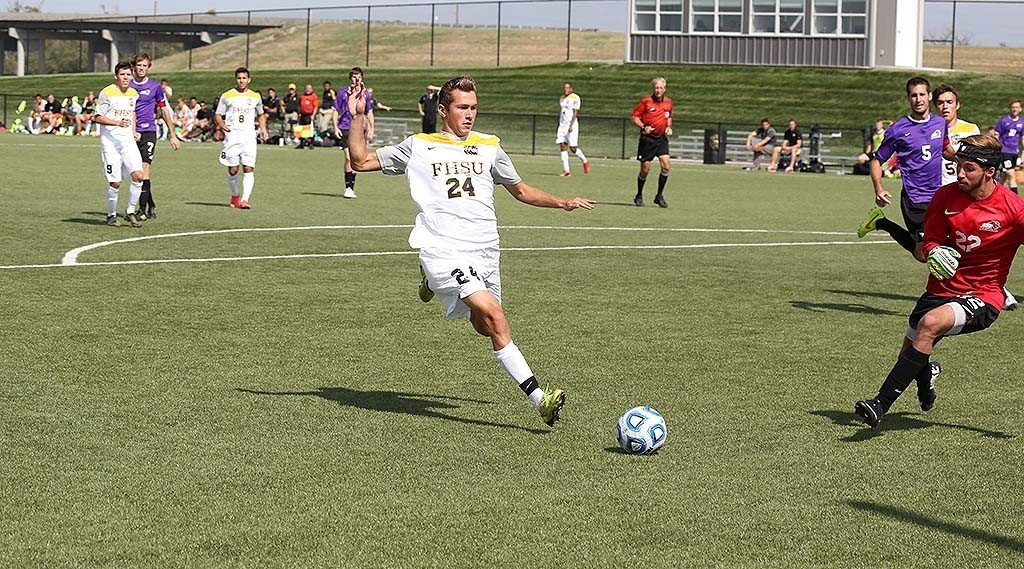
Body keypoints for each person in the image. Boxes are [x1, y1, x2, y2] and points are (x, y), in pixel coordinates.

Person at [346, 74, 595, 428]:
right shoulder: (418, 145)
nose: (470, 114)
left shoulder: (489, 146)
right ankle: (541, 399)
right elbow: (359, 160)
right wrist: (357, 116)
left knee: (484, 325)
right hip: (443, 249)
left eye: (474, 107)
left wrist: (563, 202)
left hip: (485, 250)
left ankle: (432, 285)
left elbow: (521, 191)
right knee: (494, 314)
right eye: (463, 107)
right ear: (443, 109)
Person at [854, 133, 1024, 430]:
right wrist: (934, 252)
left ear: (989, 172)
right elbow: (930, 241)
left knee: (929, 324)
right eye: (959, 165)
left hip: (983, 296)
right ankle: (926, 378)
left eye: (968, 168)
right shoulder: (945, 197)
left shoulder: (1014, 209)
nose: (960, 173)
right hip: (940, 289)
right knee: (910, 352)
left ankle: (878, 404)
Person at [856, 77, 954, 261]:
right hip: (915, 198)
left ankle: (880, 221)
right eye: (914, 95)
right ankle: (881, 222)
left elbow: (946, 149)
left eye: (922, 94)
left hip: (939, 196)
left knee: (942, 245)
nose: (918, 99)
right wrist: (879, 188)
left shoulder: (940, 124)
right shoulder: (898, 129)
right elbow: (877, 161)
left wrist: (964, 160)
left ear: (929, 96)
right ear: (908, 99)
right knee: (925, 255)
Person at [93, 62, 146, 227]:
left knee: (138, 176)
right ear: (116, 76)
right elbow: (98, 117)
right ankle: (111, 215)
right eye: (122, 74)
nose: (126, 78)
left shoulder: (133, 93)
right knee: (115, 182)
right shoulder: (107, 93)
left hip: (128, 142)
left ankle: (130, 212)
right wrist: (116, 123)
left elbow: (132, 113)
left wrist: (134, 130)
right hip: (110, 144)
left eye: (128, 74)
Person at [130, 53, 181, 221]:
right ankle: (150, 205)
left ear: (148, 67)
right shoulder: (127, 86)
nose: (141, 68)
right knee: (136, 173)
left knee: (145, 169)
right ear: (134, 67)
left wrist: (173, 135)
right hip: (130, 133)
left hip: (148, 132)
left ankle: (142, 210)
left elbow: (164, 110)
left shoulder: (155, 87)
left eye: (144, 65)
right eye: (138, 65)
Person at [213, 67, 269, 210]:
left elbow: (261, 114)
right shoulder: (227, 96)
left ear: (249, 80)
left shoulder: (255, 96)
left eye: (244, 78)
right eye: (239, 78)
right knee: (233, 169)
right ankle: (235, 195)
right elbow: (218, 114)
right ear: (236, 79)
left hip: (249, 137)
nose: (241, 81)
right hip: (232, 137)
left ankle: (245, 200)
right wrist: (221, 124)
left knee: (248, 167)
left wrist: (263, 129)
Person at [331, 67, 374, 199]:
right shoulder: (342, 92)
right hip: (344, 127)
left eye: (359, 77)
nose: (357, 79)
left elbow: (369, 112)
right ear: (350, 78)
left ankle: (351, 187)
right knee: (348, 158)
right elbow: (335, 110)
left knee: (356, 159)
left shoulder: (365, 93)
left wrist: (371, 128)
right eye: (355, 77)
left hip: (359, 129)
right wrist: (335, 127)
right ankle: (348, 188)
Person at [631, 77, 673, 208]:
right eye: (656, 88)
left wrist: (668, 127)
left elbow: (669, 116)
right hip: (647, 140)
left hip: (661, 139)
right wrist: (644, 127)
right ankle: (639, 195)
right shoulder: (646, 102)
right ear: (653, 89)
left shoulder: (669, 102)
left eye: (661, 88)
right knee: (645, 169)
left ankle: (659, 196)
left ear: (664, 89)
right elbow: (635, 116)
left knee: (666, 165)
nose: (658, 90)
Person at [557, 82, 590, 177]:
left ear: (571, 89)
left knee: (573, 148)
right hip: (562, 126)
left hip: (572, 126)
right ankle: (566, 170)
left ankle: (585, 161)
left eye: (567, 88)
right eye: (564, 88)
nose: (565, 89)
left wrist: (571, 125)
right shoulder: (562, 98)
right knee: (563, 146)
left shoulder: (575, 97)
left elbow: (575, 112)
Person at [994, 100, 1023, 194]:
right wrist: (996, 148)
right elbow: (996, 135)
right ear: (1010, 108)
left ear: (1020, 109)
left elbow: (1023, 137)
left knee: (1005, 176)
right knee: (1011, 173)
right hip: (1004, 151)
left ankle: (995, 193)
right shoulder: (1003, 121)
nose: (1015, 109)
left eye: (1017, 107)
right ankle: (1016, 199)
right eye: (1013, 107)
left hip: (1014, 152)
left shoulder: (1022, 122)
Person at [297, 83, 319, 149]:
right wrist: (299, 112)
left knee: (310, 130)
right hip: (303, 115)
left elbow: (315, 107)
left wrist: (313, 115)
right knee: (301, 129)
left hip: (309, 115)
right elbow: (299, 105)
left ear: (312, 89)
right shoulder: (302, 96)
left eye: (309, 89)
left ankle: (311, 143)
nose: (308, 90)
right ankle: (301, 143)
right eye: (307, 88)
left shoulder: (314, 96)